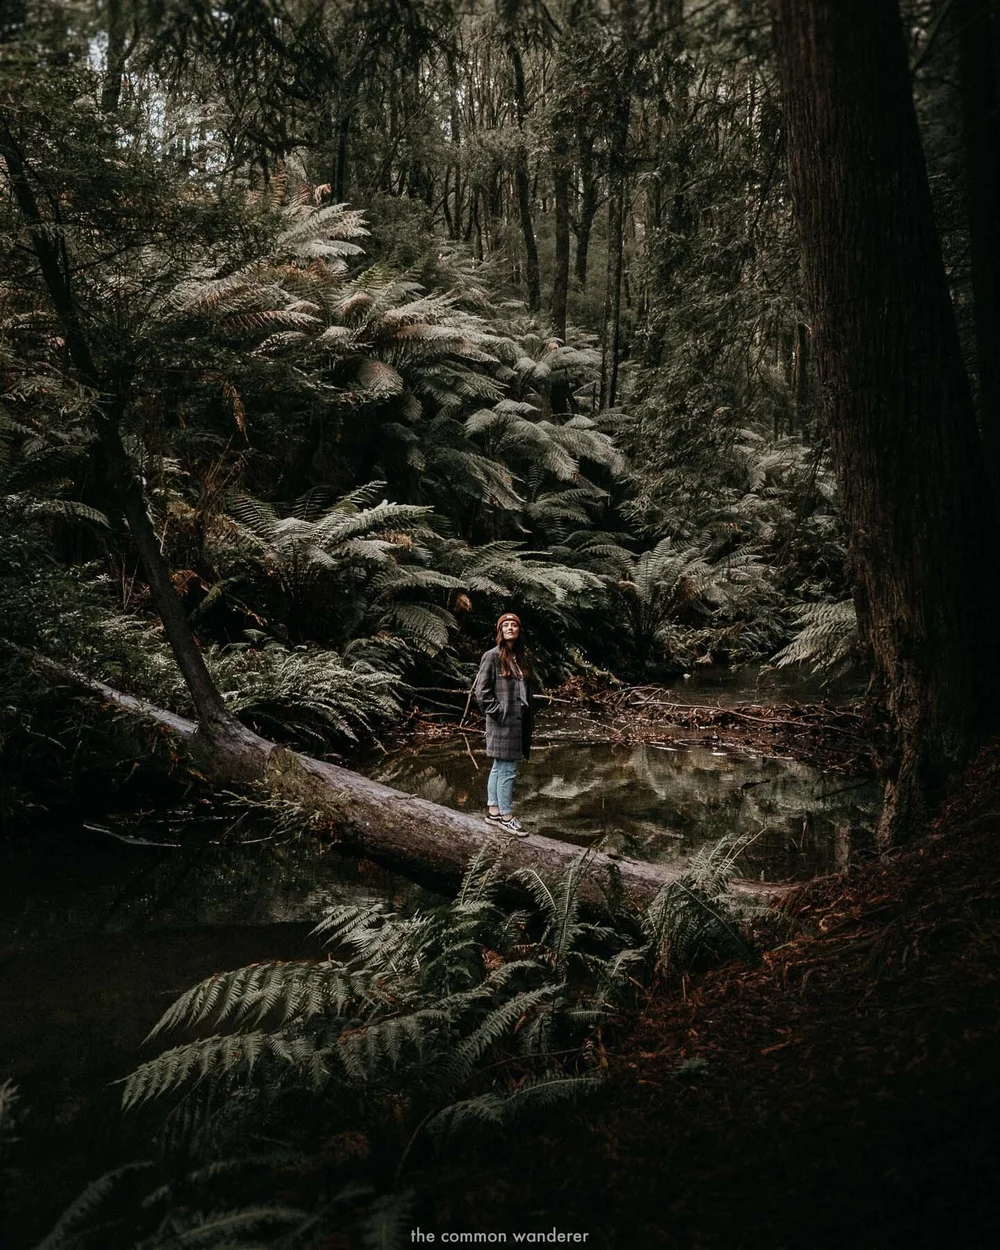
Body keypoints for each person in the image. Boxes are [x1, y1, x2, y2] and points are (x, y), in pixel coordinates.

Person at [474, 612, 539, 836]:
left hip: (517, 722)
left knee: (499, 767)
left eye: (514, 625)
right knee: (507, 769)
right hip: (502, 722)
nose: (510, 628)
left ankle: (493, 812)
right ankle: (506, 817)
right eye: (506, 625)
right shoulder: (491, 656)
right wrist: (498, 713)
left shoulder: (519, 657)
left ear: (519, 630)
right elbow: (482, 692)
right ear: (500, 631)